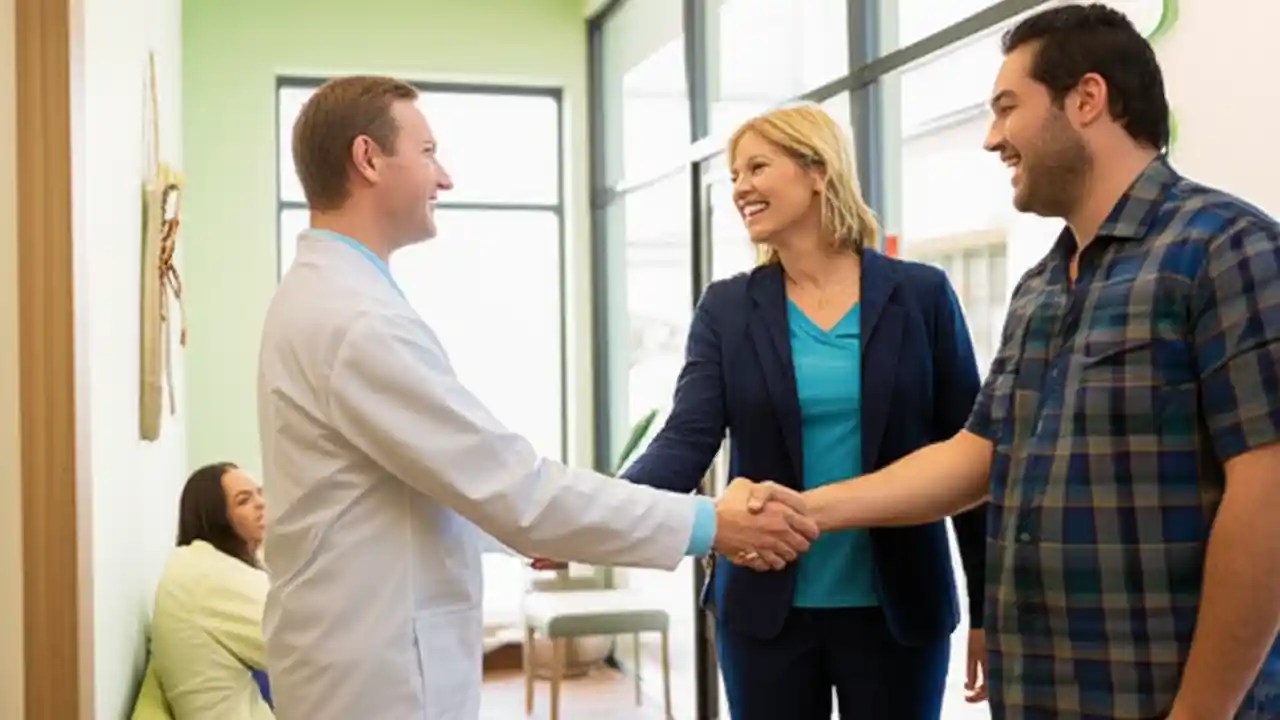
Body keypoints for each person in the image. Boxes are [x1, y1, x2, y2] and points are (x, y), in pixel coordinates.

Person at [756, 5, 1280, 719]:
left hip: (1164, 699)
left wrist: (1201, 713)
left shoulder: (1228, 248)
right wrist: (803, 508)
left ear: (1087, 100)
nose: (992, 138)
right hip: (1041, 693)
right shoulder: (1040, 288)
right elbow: (976, 456)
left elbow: (1269, 495)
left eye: (1007, 108)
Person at [256, 75, 818, 720]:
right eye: (429, 151)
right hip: (372, 672)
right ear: (368, 159)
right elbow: (511, 485)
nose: (445, 178)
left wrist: (537, 531)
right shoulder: (354, 319)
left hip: (361, 650)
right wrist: (711, 522)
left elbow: (433, 480)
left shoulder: (335, 297)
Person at [617, 102, 988, 719]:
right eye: (734, 175)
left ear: (818, 171)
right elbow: (684, 443)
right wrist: (596, 513)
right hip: (765, 613)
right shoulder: (728, 308)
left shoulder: (921, 295)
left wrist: (987, 607)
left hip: (899, 608)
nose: (740, 187)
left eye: (757, 167)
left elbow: (971, 453)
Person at [137, 462, 273, 720]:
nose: (261, 504)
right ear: (216, 518)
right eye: (244, 500)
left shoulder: (196, 562)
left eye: (259, 493)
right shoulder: (211, 576)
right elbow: (302, 649)